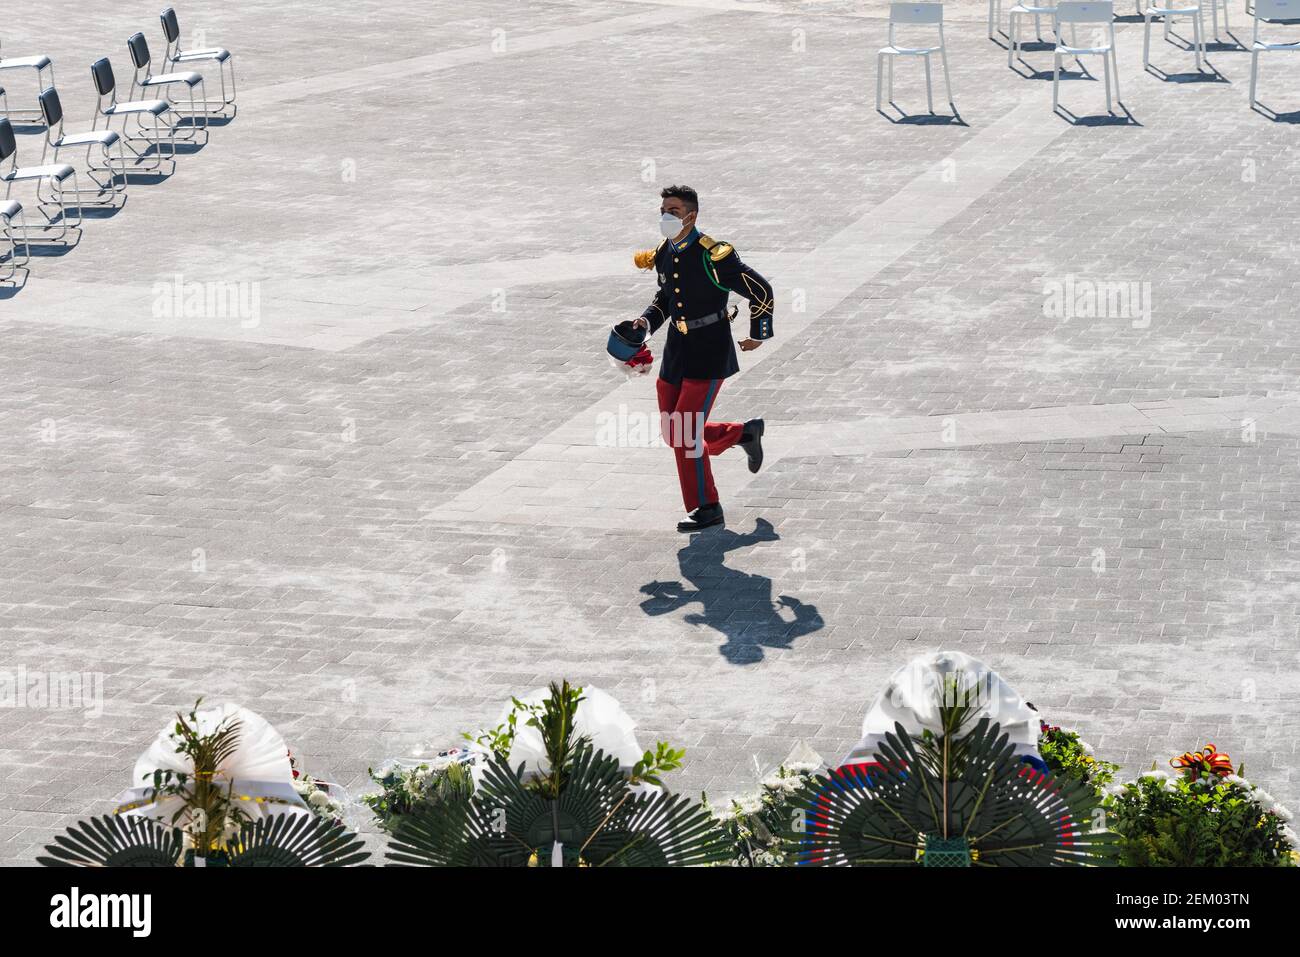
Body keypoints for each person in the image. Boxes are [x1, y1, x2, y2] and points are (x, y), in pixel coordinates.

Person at [631, 185, 775, 532]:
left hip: (709, 349)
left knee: (683, 433)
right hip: (677, 351)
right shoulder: (665, 251)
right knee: (673, 432)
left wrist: (758, 333)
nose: (666, 216)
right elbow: (665, 298)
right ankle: (742, 434)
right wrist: (645, 323)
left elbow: (760, 289)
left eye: (674, 211)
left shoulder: (715, 255)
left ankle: (706, 506)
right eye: (664, 210)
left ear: (692, 216)